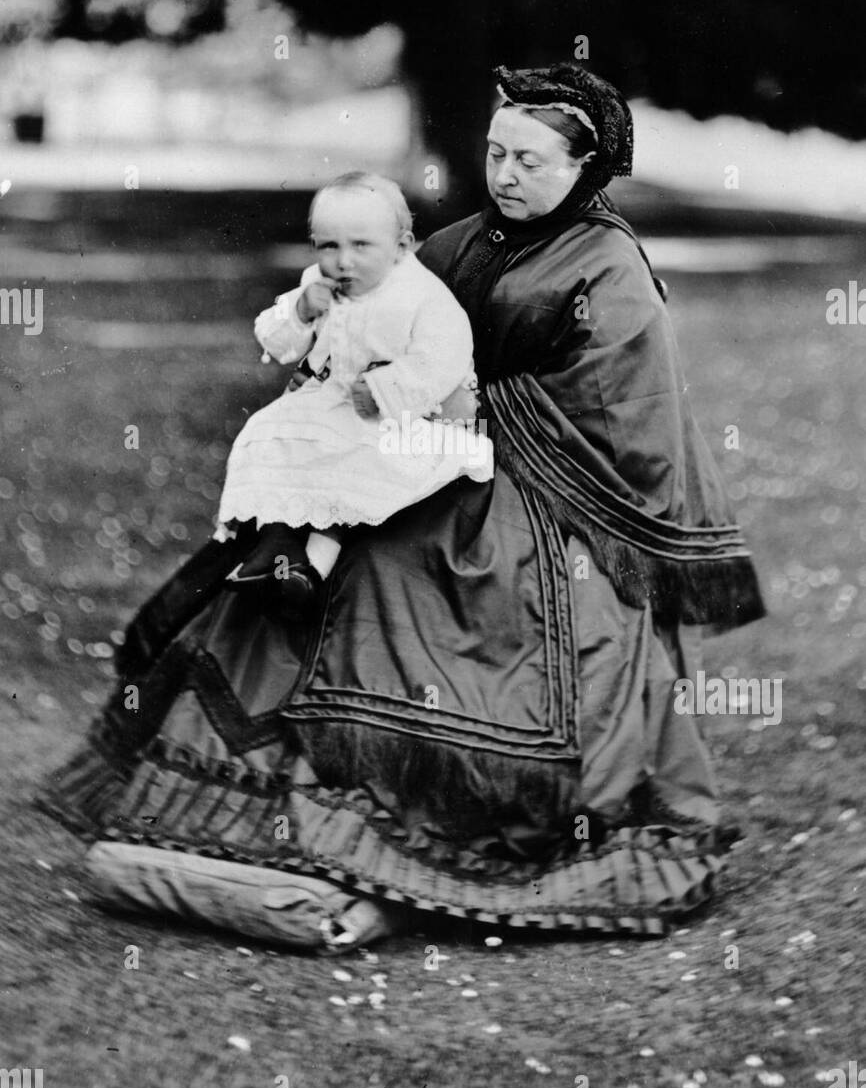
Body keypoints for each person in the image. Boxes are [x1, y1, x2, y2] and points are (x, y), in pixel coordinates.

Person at [37, 62, 763, 951]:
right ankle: (279, 790)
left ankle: (435, 808)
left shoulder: (610, 267)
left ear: (585, 166)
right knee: (304, 544)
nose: (505, 175)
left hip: (548, 494)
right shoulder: (464, 240)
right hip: (422, 455)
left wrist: (481, 412)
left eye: (531, 162)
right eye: (496, 153)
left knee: (397, 573)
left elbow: (622, 414)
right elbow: (380, 314)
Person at [215, 171, 492, 611]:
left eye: (361, 246)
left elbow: (443, 359)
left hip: (401, 417)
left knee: (350, 463)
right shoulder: (319, 282)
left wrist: (385, 389)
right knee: (268, 431)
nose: (343, 261)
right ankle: (277, 546)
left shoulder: (421, 296)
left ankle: (312, 569)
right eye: (329, 245)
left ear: (400, 246)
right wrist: (302, 311)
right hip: (331, 402)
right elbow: (277, 342)